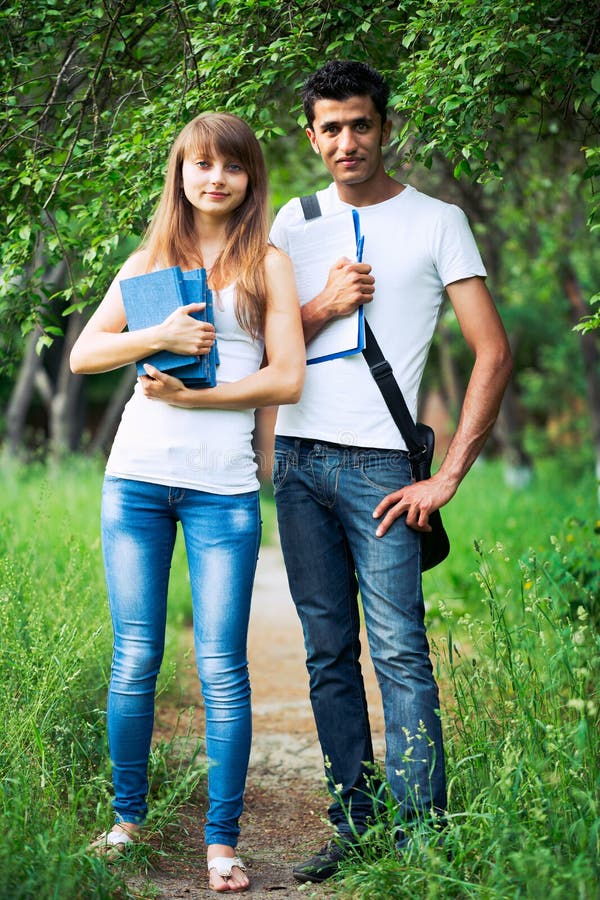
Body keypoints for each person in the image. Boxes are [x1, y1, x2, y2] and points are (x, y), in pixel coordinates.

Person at [268, 60, 513, 883]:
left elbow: (494, 352)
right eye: (330, 128)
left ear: (386, 127)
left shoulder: (438, 220)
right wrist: (323, 307)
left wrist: (446, 477)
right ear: (312, 136)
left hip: (383, 470)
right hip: (297, 464)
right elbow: (264, 344)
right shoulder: (291, 222)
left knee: (401, 652)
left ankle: (421, 840)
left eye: (360, 124)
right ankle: (358, 827)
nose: (347, 141)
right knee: (327, 653)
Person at [70, 111, 305, 893]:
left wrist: (198, 399)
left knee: (221, 669)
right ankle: (127, 822)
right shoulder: (150, 260)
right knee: (136, 659)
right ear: (180, 173)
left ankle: (220, 843)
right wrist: (156, 335)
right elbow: (84, 355)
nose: (215, 178)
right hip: (135, 478)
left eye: (231, 167)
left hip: (224, 490)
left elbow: (286, 378)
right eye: (201, 164)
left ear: (249, 179)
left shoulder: (268, 263)